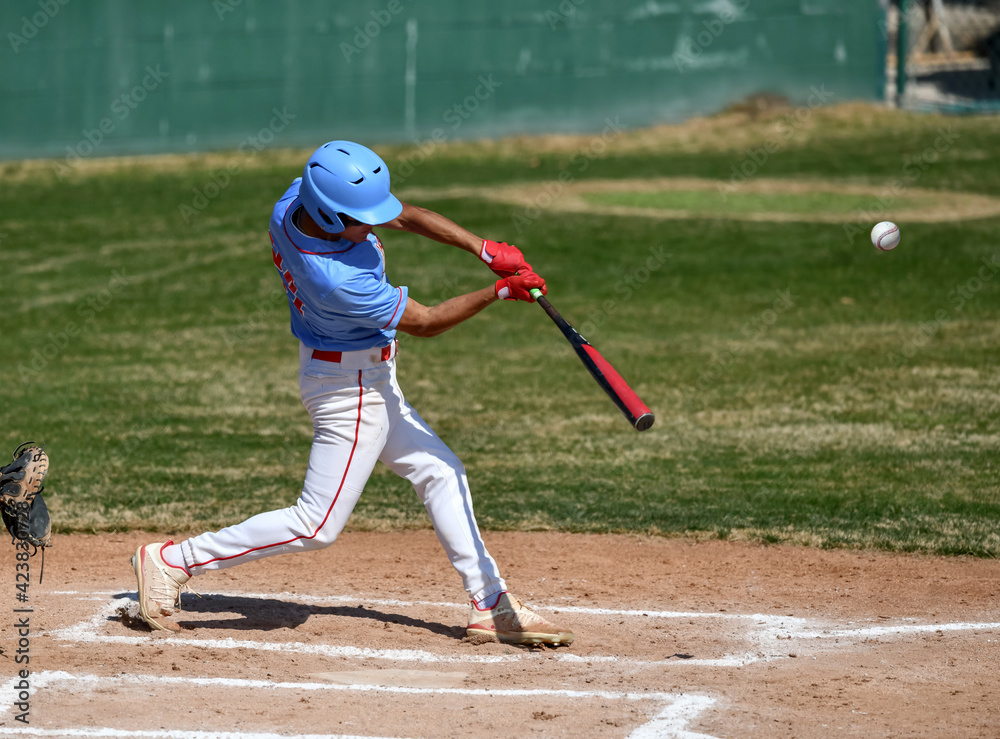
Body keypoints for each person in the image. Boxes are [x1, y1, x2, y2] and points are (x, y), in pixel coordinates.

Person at [131, 140, 574, 646]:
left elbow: (403, 216)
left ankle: (490, 603)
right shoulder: (335, 279)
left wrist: (483, 248)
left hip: (364, 376)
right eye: (361, 220)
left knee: (440, 469)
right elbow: (425, 323)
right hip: (349, 390)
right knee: (315, 525)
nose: (374, 226)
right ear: (328, 213)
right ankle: (171, 561)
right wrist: (498, 291)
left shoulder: (296, 200)